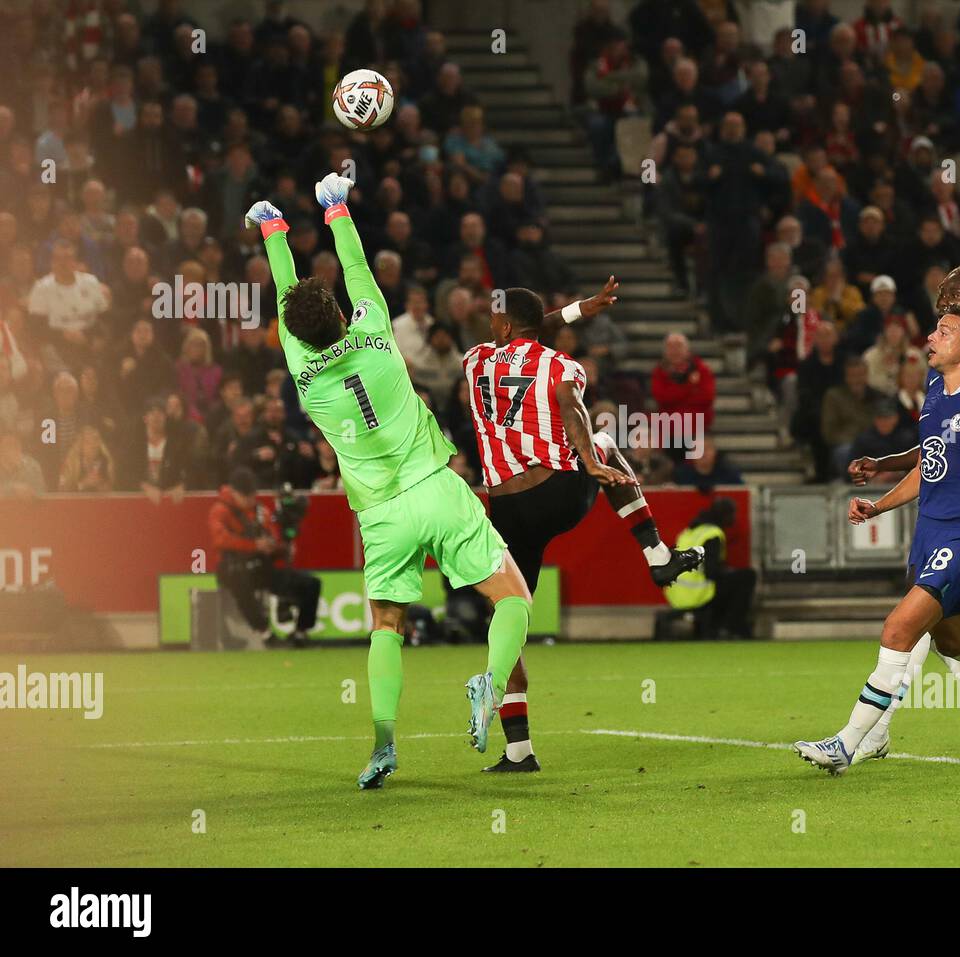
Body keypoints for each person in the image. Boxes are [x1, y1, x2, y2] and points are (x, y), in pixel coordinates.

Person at [245, 173, 534, 790]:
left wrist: (272, 228)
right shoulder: (375, 335)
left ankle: (382, 746)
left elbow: (285, 300)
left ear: (293, 336)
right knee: (512, 599)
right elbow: (354, 265)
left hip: (381, 514)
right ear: (344, 315)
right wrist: (336, 207)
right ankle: (490, 677)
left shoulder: (302, 373)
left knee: (386, 627)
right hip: (436, 485)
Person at [794, 302, 960, 774]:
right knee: (955, 642)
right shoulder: (936, 396)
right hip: (930, 532)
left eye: (943, 331)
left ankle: (848, 743)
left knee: (898, 630)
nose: (931, 338)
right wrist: (878, 505)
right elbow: (927, 468)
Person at [462, 281, 704, 771]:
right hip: (558, 493)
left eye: (495, 316)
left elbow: (529, 328)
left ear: (503, 326)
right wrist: (592, 461)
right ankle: (657, 556)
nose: (490, 322)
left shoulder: (475, 361)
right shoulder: (560, 365)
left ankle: (516, 742)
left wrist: (573, 311)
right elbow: (570, 403)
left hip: (506, 509)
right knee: (605, 441)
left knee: (507, 620)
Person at [208, 466, 321, 648]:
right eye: (246, 496)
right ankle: (265, 633)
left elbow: (272, 536)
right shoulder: (220, 510)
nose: (250, 500)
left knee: (311, 584)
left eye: (252, 495)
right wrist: (254, 545)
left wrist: (278, 548)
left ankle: (300, 633)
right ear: (234, 492)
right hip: (231, 567)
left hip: (260, 566)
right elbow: (220, 539)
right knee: (240, 581)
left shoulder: (260, 511)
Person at [663, 497, 756, 639]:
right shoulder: (712, 534)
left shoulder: (690, 532)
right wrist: (730, 571)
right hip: (698, 594)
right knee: (748, 576)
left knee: (732, 579)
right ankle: (732, 626)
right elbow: (711, 572)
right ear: (725, 515)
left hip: (675, 594)